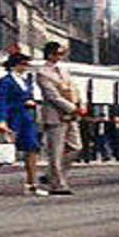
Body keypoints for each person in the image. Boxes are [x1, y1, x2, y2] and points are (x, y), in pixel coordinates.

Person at [0, 50, 46, 197]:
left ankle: (31, 184)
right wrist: (1, 120)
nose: (25, 67)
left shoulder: (27, 80)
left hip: (26, 118)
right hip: (12, 118)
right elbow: (1, 101)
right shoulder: (5, 81)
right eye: (23, 64)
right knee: (4, 151)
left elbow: (28, 96)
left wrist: (30, 102)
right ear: (14, 65)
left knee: (32, 148)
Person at [33, 41, 84, 195]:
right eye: (58, 54)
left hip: (71, 116)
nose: (61, 57)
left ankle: (50, 174)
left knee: (76, 147)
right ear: (50, 54)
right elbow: (52, 96)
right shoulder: (42, 73)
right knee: (56, 151)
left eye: (62, 54)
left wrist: (80, 103)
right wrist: (72, 108)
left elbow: (74, 88)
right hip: (55, 116)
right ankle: (58, 185)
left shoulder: (63, 70)